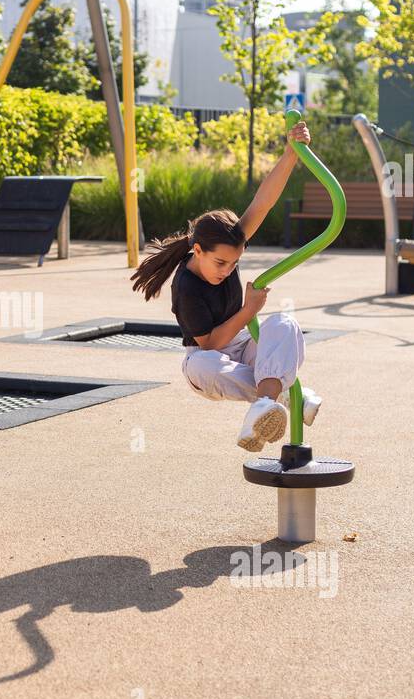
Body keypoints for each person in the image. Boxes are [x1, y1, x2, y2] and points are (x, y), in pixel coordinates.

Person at [130, 121, 322, 452]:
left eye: (234, 263)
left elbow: (263, 201)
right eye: (220, 263)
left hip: (244, 344)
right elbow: (212, 343)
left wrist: (291, 153)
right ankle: (287, 397)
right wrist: (249, 310)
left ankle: (262, 409)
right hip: (208, 361)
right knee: (206, 365)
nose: (227, 270)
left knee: (285, 324)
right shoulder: (186, 287)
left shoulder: (228, 244)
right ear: (198, 250)